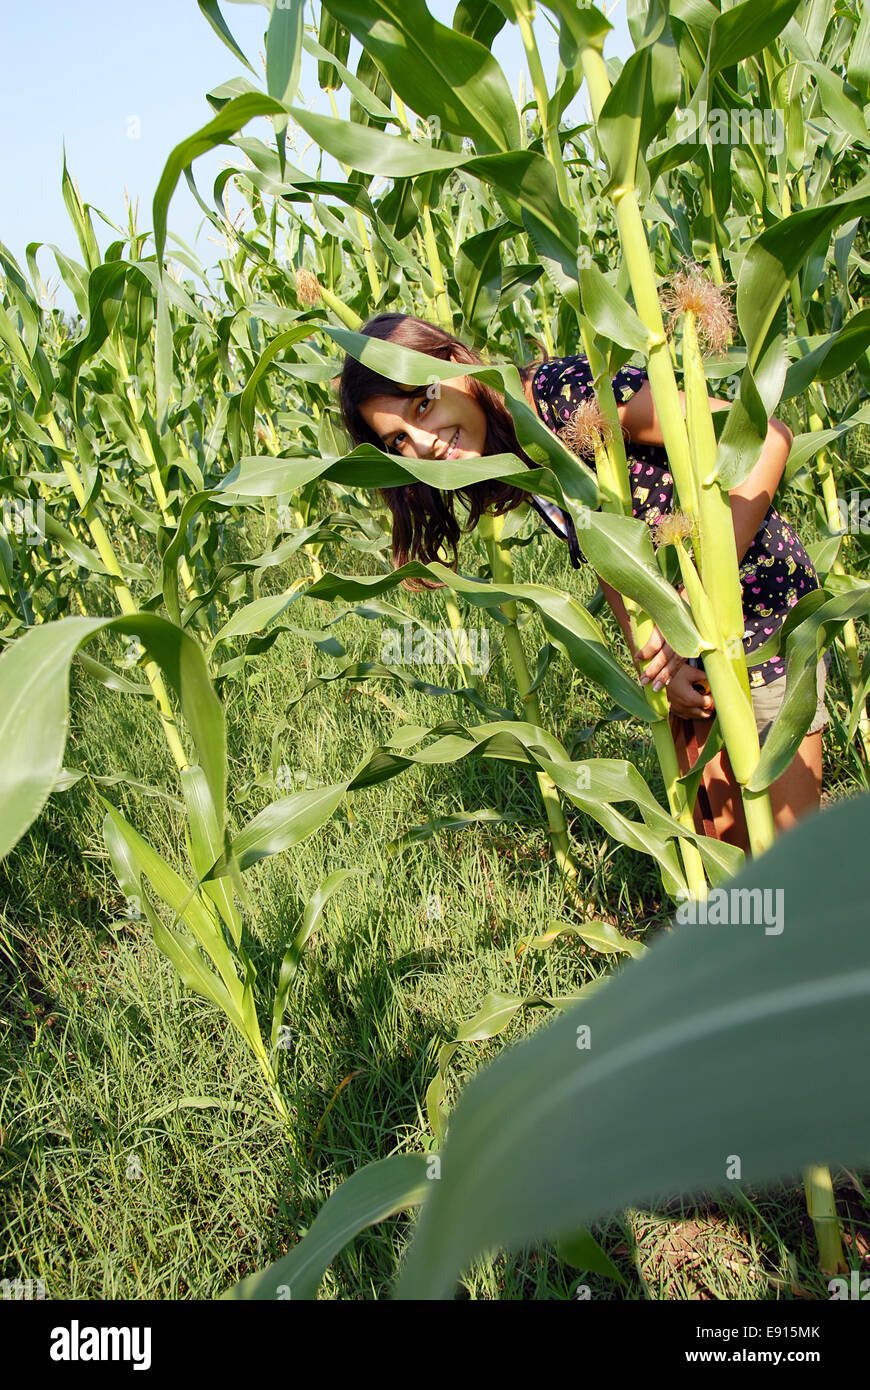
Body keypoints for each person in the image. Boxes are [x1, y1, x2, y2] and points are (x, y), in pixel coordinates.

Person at [338, 312, 829, 853]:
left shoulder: (559, 398)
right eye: (399, 440)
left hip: (763, 619)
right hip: (690, 642)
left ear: (453, 363)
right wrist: (657, 658)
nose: (423, 443)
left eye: (422, 404)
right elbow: (607, 547)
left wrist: (686, 612)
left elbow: (765, 442)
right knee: (732, 858)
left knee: (792, 861)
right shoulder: (517, 449)